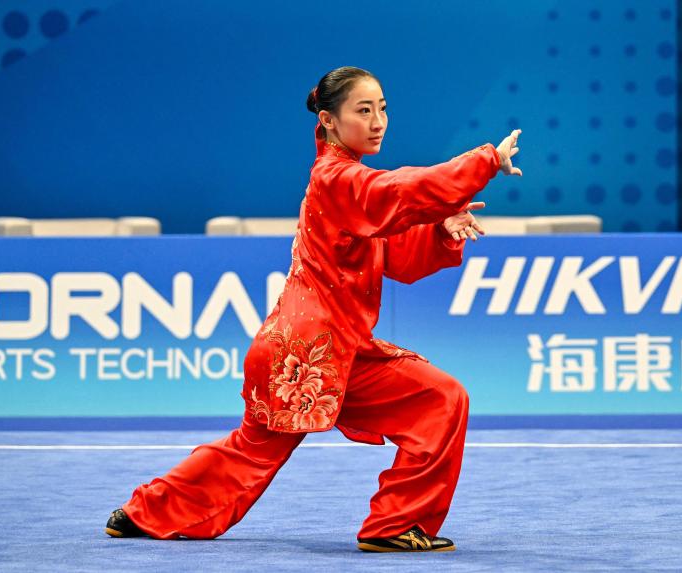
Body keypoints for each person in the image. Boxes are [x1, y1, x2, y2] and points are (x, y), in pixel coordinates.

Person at [105, 66, 523, 552]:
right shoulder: (337, 179)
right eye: (362, 111)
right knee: (252, 454)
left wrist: (438, 228)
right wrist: (483, 161)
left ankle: (392, 526)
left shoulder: (347, 185)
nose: (377, 121)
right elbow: (399, 192)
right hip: (302, 356)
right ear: (327, 120)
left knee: (440, 400)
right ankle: (147, 511)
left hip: (338, 351)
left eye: (382, 108)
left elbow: (395, 255)